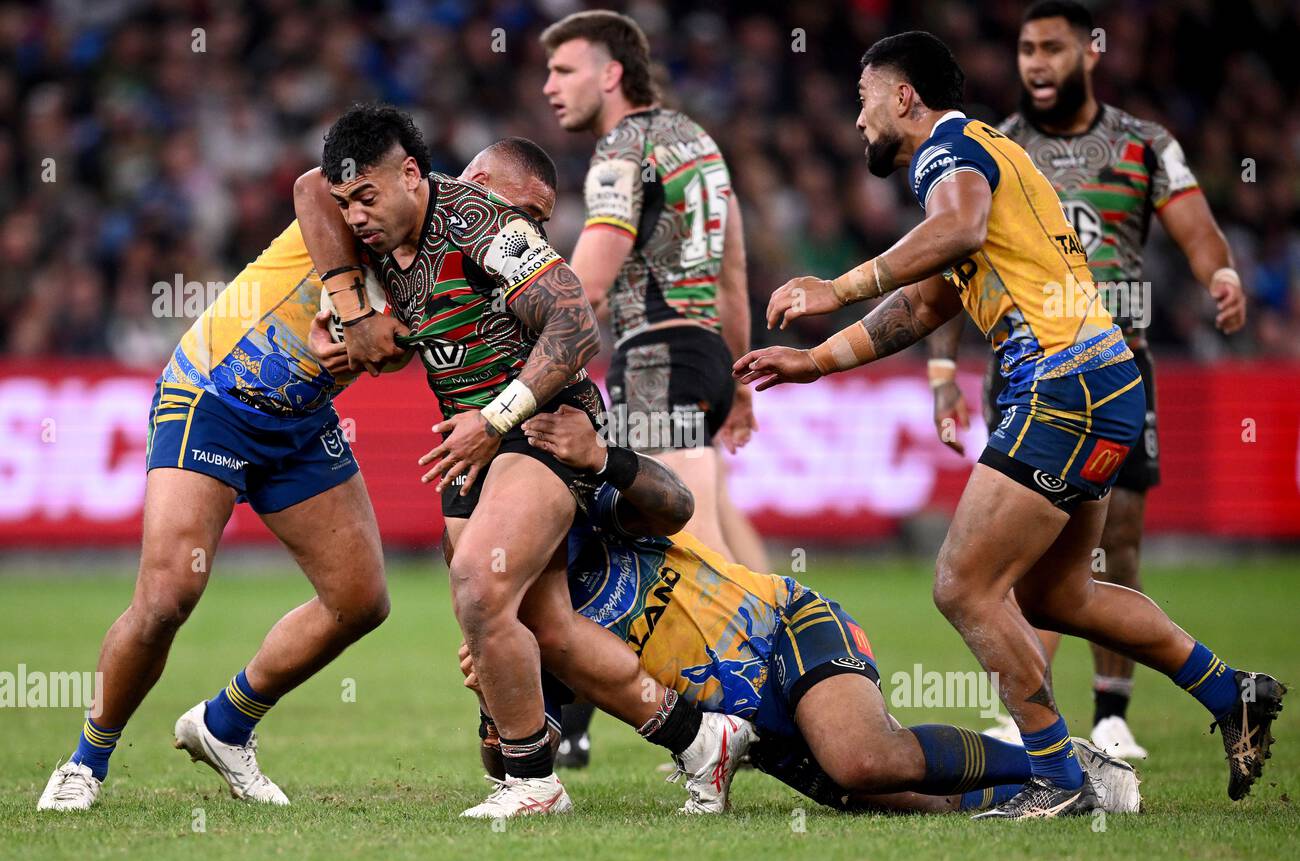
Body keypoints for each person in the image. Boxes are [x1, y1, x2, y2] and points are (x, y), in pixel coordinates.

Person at [733, 31, 1283, 818]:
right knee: (1058, 595)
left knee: (962, 584)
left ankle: (1058, 778)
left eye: (862, 101)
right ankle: (1232, 692)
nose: (856, 121)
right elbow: (926, 304)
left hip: (1063, 384)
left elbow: (953, 230)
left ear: (903, 98)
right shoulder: (986, 157)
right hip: (1103, 380)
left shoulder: (945, 152)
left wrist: (837, 284)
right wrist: (815, 359)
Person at [293, 107, 749, 818]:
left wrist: (496, 417)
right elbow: (306, 189)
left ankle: (536, 784)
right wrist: (352, 317)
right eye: (347, 202)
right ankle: (702, 740)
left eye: (368, 198)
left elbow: (575, 321)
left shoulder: (480, 223)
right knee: (550, 633)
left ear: (414, 176)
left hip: (542, 426)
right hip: (472, 445)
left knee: (480, 584)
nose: (355, 217)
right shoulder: (374, 230)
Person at [459, 404, 1142, 816]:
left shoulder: (584, 513)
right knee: (909, 796)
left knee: (863, 759)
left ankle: (1070, 768)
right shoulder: (519, 624)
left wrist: (606, 458)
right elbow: (525, 757)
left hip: (783, 626)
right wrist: (496, 709)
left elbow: (676, 505)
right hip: (754, 730)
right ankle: (1055, 785)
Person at [924, 0, 1248, 760]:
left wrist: (1222, 272)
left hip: (1113, 360)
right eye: (1025, 50)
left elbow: (1197, 227)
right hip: (1025, 362)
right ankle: (1041, 716)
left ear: (1091, 53)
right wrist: (943, 371)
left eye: (1051, 49)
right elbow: (952, 262)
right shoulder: (993, 144)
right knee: (1028, 558)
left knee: (1113, 541)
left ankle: (1108, 712)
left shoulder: (1143, 143)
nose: (1035, 63)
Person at [540, 8, 768, 765]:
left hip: (655, 359)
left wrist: (529, 356)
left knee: (685, 554)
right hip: (703, 355)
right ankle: (576, 723)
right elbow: (733, 270)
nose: (550, 88)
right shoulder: (698, 141)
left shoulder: (621, 149)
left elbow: (588, 286)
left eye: (564, 71)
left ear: (611, 74)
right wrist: (737, 378)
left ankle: (735, 723)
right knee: (714, 532)